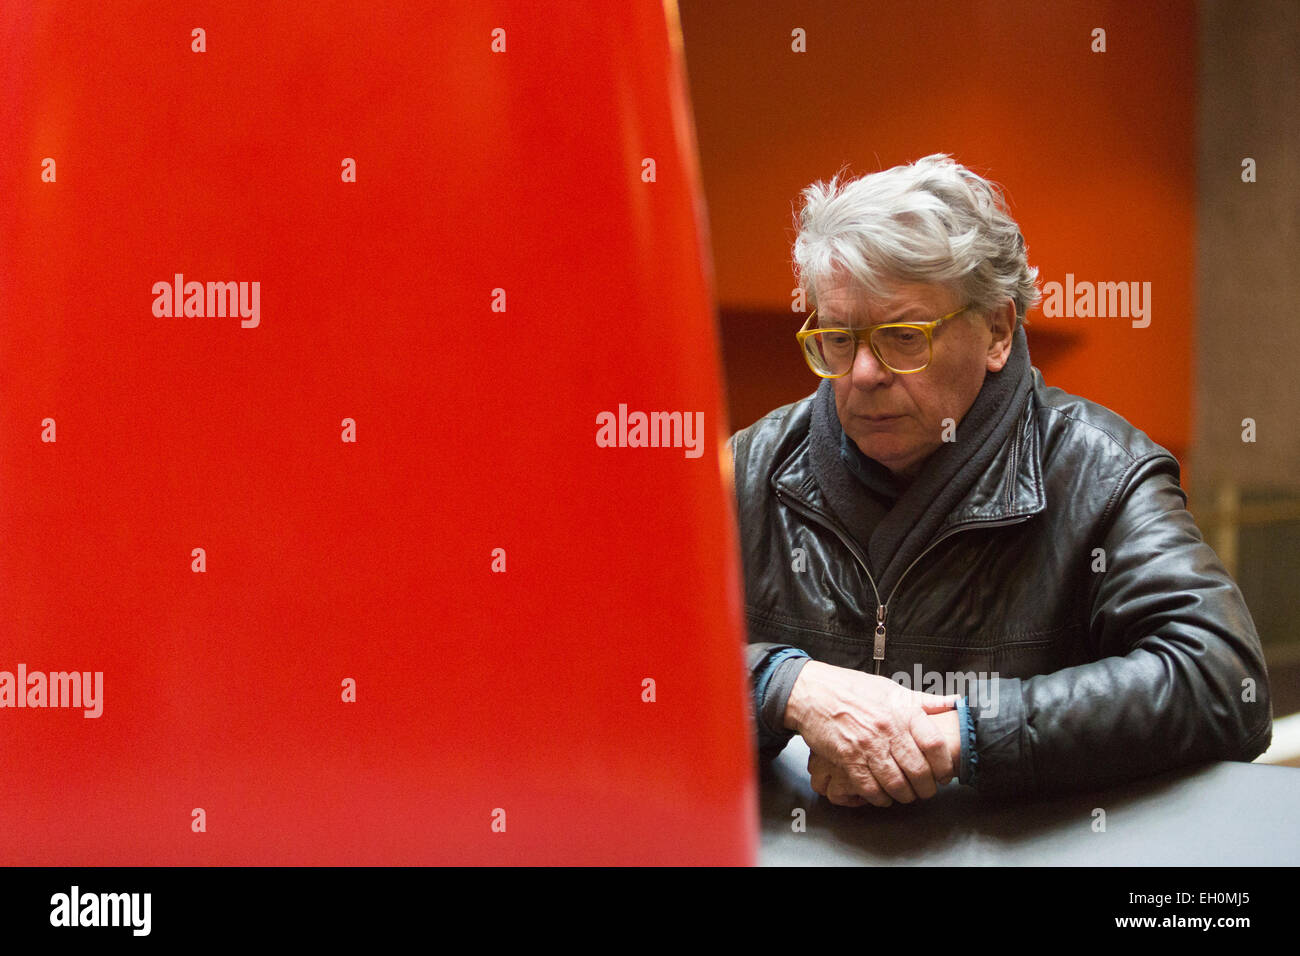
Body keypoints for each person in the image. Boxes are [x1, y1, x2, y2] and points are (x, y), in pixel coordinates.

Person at [728, 154, 1272, 807]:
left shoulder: (1101, 471)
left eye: (903, 336)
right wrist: (785, 686)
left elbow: (1222, 680)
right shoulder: (751, 466)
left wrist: (959, 734)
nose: (863, 374)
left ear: (997, 331)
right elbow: (615, 666)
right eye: (839, 340)